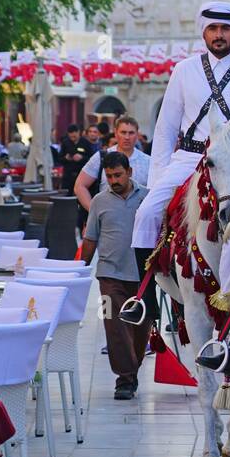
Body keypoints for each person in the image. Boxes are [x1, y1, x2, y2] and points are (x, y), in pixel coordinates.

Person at [120, 1, 230, 324]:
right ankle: (145, 299)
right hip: (189, 158)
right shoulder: (184, 70)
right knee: (146, 213)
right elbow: (165, 129)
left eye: (225, 29)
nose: (219, 35)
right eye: (213, 29)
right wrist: (158, 181)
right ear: (203, 32)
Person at [80, 151, 152, 401]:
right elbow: (90, 238)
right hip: (109, 275)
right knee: (114, 325)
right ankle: (124, 378)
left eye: (118, 175)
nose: (113, 180)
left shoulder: (148, 197)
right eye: (109, 176)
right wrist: (79, 269)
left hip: (143, 276)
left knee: (141, 329)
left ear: (129, 172)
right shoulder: (99, 201)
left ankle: (131, 372)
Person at [74, 115, 151, 214]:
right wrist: (94, 212)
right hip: (106, 217)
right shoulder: (101, 157)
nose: (127, 137)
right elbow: (80, 186)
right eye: (123, 132)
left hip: (137, 221)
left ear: (137, 135)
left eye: (131, 133)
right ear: (116, 133)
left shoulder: (147, 161)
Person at [58, 123, 90, 193]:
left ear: (79, 132)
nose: (72, 136)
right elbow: (59, 159)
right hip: (68, 175)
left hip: (81, 174)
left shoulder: (85, 143)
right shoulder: (65, 143)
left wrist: (82, 157)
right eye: (71, 135)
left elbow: (91, 158)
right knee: (66, 195)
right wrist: (66, 158)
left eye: (74, 134)